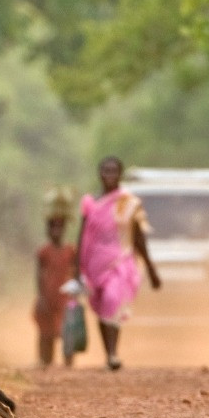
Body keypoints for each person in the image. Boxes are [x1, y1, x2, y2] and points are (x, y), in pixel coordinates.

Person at [75, 156, 161, 370]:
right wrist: (77, 268)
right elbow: (82, 236)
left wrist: (150, 268)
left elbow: (138, 236)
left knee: (114, 299)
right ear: (100, 173)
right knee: (102, 304)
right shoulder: (90, 203)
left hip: (121, 261)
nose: (109, 175)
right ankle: (108, 354)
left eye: (113, 171)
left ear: (120, 174)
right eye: (105, 170)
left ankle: (114, 354)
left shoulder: (128, 202)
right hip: (95, 263)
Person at [32, 188, 77, 368]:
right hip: (47, 297)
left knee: (67, 331)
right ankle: (45, 362)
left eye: (60, 227)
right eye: (53, 227)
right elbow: (38, 275)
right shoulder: (43, 251)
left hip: (64, 298)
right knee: (46, 332)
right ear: (48, 229)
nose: (56, 230)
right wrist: (41, 297)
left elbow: (75, 273)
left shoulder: (70, 250)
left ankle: (68, 365)